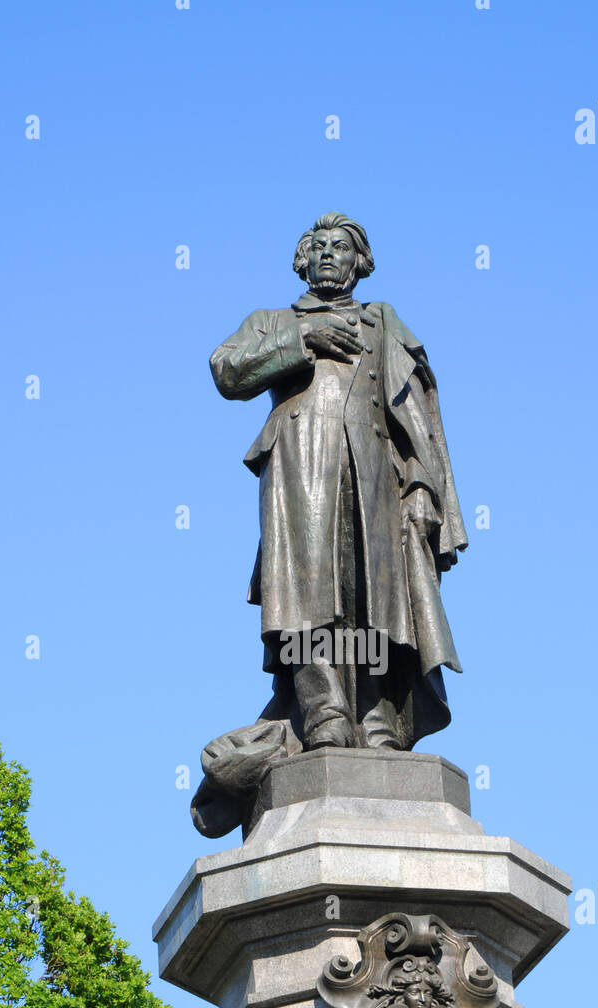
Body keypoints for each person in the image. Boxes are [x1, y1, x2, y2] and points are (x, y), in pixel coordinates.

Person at [209, 211, 468, 753]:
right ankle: (325, 713)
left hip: (376, 475)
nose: (329, 253)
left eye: (341, 247)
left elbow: (417, 419)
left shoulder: (385, 326)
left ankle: (378, 720)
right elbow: (226, 371)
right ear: (303, 260)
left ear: (361, 262)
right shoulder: (273, 319)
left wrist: (422, 487)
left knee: (379, 595)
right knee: (304, 595)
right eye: (319, 245)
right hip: (298, 469)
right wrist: (302, 336)